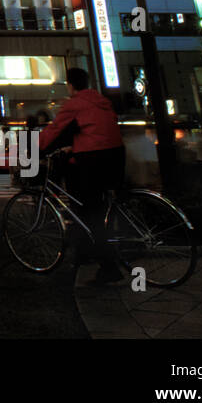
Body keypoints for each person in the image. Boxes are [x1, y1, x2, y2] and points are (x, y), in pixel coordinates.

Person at [39, 67, 126, 282]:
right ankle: (85, 252)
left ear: (70, 85)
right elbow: (91, 130)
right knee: (95, 207)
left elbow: (55, 130)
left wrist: (32, 149)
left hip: (94, 159)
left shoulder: (74, 104)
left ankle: (109, 267)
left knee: (89, 213)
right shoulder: (101, 101)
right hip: (116, 156)